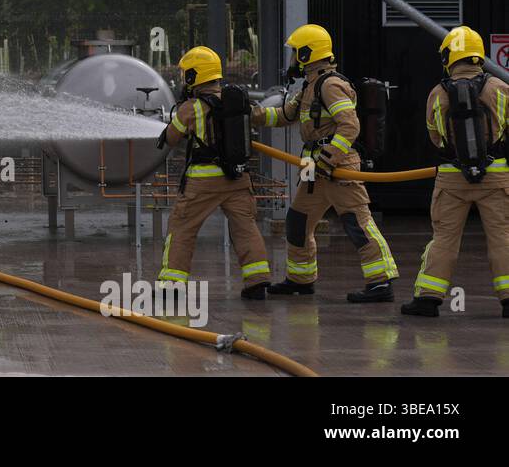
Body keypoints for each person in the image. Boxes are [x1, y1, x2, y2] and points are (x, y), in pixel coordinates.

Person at [251, 24, 400, 302]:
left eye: (296, 53)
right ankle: (300, 278)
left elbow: (349, 126)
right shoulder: (310, 85)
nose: (292, 59)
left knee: (357, 221)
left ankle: (381, 281)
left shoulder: (330, 85)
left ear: (308, 53)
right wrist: (252, 115)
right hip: (313, 166)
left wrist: (330, 158)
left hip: (338, 166)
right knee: (298, 221)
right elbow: (285, 115)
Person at [403, 26, 509, 318]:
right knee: (502, 236)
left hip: (451, 177)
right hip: (496, 176)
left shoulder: (438, 93)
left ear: (449, 56)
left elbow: (434, 136)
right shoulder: (500, 88)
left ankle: (428, 298)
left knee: (445, 237)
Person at [157, 46, 272, 299]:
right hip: (239, 178)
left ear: (193, 77)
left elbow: (172, 137)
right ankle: (258, 281)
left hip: (203, 183)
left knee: (182, 227)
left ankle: (172, 285)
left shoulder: (192, 108)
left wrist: (165, 130)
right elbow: (261, 116)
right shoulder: (239, 101)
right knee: (246, 228)